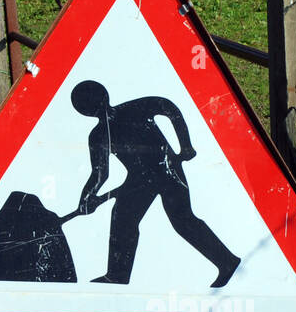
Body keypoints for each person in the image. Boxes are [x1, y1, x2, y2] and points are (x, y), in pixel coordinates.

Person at [69, 80, 240, 287]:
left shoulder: (135, 109)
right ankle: (117, 276)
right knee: (122, 218)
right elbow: (100, 173)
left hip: (167, 169)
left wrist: (185, 145)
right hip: (139, 179)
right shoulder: (98, 136)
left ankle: (227, 262)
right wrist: (86, 198)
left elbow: (169, 107)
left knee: (182, 220)